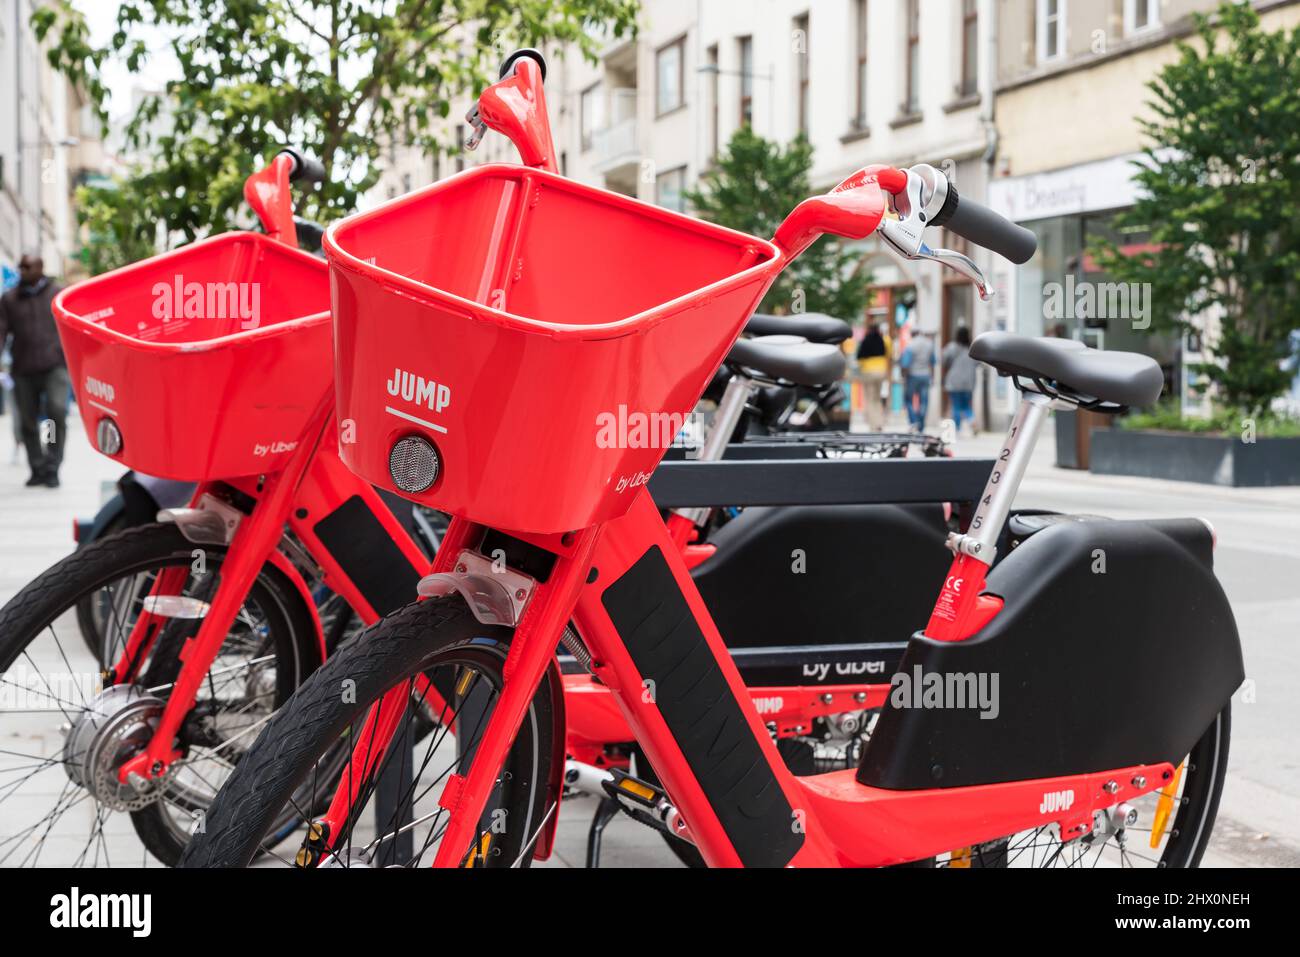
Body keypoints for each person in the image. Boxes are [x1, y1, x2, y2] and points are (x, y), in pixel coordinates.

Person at [0, 254, 68, 487]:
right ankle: (37, 467)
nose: (22, 270)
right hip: (23, 369)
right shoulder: (10, 299)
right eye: (20, 267)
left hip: (54, 366)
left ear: (40, 267)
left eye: (27, 267)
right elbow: (1, 331)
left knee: (55, 414)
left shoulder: (57, 294)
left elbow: (71, 325)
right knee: (28, 422)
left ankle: (52, 466)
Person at [942, 325, 978, 436]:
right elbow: (978, 363)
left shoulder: (952, 347)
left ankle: (957, 429)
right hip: (968, 382)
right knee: (966, 405)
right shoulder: (973, 348)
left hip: (954, 382)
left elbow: (944, 360)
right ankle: (972, 422)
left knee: (956, 405)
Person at [899, 328, 937, 432]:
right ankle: (921, 424)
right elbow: (933, 362)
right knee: (924, 401)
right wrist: (932, 377)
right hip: (925, 375)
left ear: (912, 334)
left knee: (908, 400)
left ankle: (913, 421)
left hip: (913, 376)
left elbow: (905, 363)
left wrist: (903, 376)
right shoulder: (929, 344)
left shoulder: (910, 345)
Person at [855, 323, 891, 431]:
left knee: (870, 399)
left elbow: (859, 357)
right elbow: (888, 355)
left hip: (868, 372)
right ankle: (879, 422)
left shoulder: (865, 341)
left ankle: (872, 425)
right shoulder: (884, 340)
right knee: (877, 398)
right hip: (881, 372)